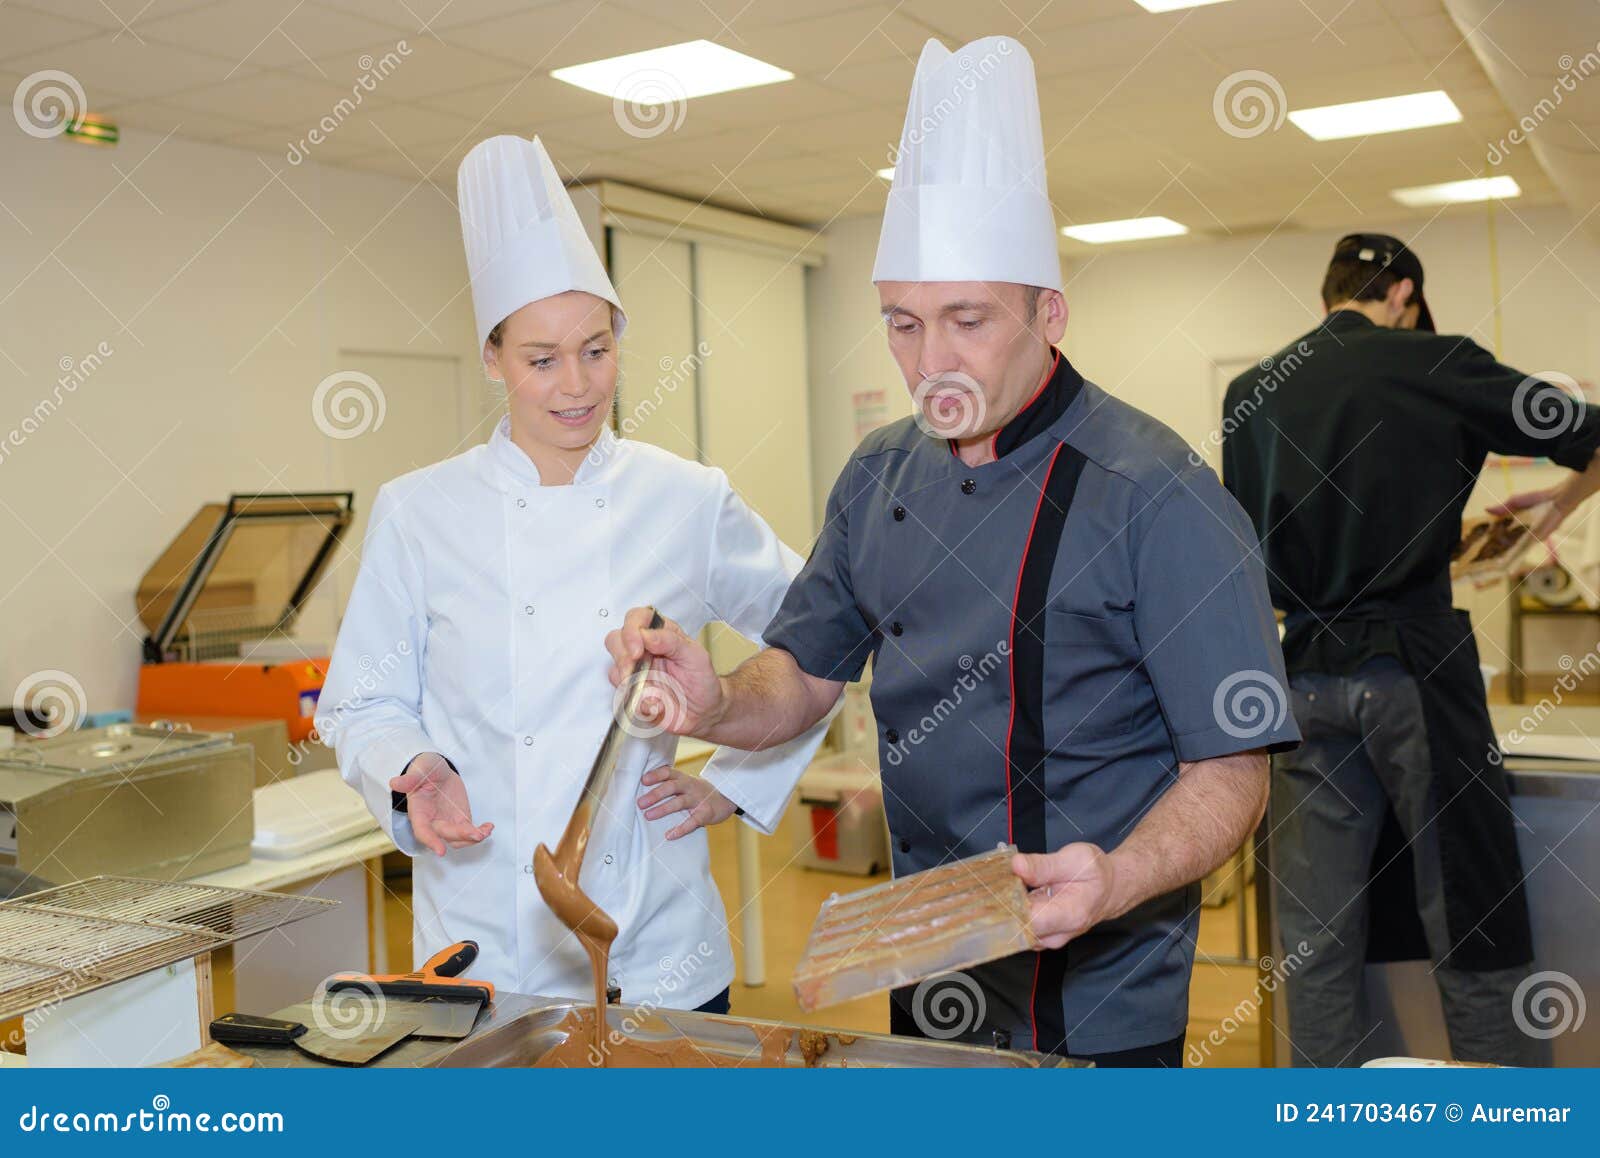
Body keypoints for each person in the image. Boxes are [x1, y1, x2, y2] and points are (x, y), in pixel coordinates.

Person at [604, 36, 1298, 1067]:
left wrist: (1118, 876)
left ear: (1049, 313)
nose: (932, 362)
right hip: (923, 957)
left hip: (1098, 978)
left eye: (967, 321)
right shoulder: (878, 475)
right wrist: (716, 704)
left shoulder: (1159, 496)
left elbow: (1231, 768)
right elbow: (804, 673)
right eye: (902, 324)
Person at [320, 134, 828, 1012]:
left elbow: (821, 635)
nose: (577, 386)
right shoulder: (419, 512)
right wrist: (413, 765)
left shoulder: (685, 497)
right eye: (541, 359)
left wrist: (735, 783)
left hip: (662, 948)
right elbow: (361, 702)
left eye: (596, 349)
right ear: (493, 358)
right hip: (481, 942)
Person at [1221, 233, 1600, 1066]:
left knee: (1313, 937)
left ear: (1329, 295)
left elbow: (1246, 548)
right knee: (1469, 907)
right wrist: (1564, 502)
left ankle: (1322, 1114)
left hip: (1301, 675)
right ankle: (1498, 1115)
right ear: (1402, 294)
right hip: (1413, 670)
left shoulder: (1254, 392)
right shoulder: (1436, 361)